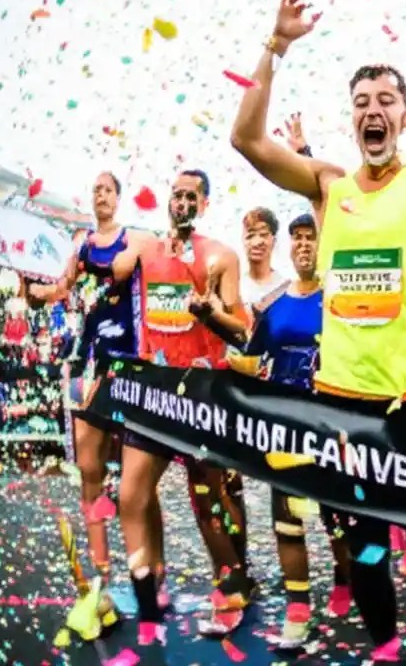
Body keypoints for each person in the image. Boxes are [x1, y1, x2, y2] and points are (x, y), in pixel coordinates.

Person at [228, 0, 406, 658]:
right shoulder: (329, 187)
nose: (373, 113)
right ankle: (383, 647)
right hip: (344, 400)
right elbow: (246, 139)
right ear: (352, 120)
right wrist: (275, 45)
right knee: (364, 540)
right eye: (362, 105)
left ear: (405, 117)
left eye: (386, 103)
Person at [110, 169, 254, 645]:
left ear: (205, 204)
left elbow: (240, 331)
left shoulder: (221, 256)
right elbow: (108, 268)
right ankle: (152, 583)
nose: (181, 202)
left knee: (209, 503)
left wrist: (208, 310)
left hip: (199, 394)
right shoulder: (147, 249)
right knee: (132, 495)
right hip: (152, 391)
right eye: (176, 194)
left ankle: (231, 588)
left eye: (191, 196)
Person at [27, 172, 143, 628]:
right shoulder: (80, 243)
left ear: (118, 198)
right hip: (91, 364)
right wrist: (40, 294)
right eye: (94, 189)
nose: (100, 195)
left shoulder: (132, 240)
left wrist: (79, 266)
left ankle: (150, 576)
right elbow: (63, 287)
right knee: (90, 476)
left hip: (130, 366)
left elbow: (120, 271)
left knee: (137, 486)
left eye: (107, 190)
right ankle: (101, 581)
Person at [243, 214, 352, 650]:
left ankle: (345, 580)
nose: (304, 245)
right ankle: (297, 612)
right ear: (289, 247)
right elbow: (252, 359)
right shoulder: (273, 305)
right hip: (284, 429)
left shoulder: (340, 299)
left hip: (331, 425)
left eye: (312, 239)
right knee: (287, 519)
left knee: (335, 516)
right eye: (298, 239)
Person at [241, 207, 289, 311]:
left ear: (274, 240)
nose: (257, 242)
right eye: (250, 235)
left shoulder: (285, 286)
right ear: (243, 240)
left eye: (263, 235)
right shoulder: (236, 286)